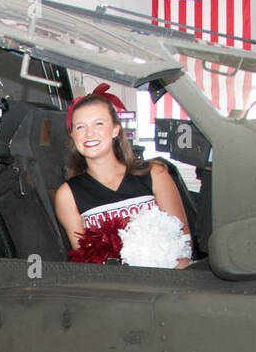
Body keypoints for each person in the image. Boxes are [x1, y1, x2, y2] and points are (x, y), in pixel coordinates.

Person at [52, 85, 191, 266]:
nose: (89, 133)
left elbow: (184, 245)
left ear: (115, 130)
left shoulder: (155, 174)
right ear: (73, 136)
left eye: (98, 123)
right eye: (80, 127)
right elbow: (85, 262)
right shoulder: (67, 194)